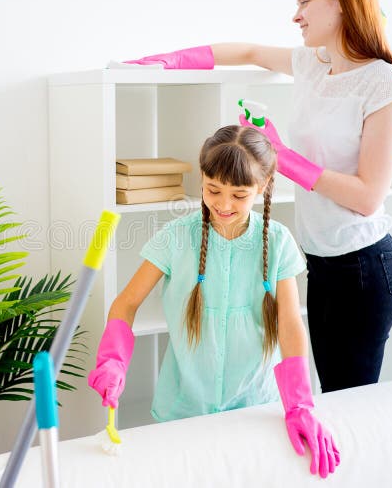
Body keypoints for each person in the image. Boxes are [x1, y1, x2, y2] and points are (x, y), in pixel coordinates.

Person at [123, 0, 392, 394]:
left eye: (305, 2)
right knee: (331, 394)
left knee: (349, 400)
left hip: (364, 267)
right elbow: (249, 53)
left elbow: (368, 197)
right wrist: (173, 59)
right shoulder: (315, 63)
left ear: (342, 3)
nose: (296, 15)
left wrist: (282, 156)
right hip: (321, 261)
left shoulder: (383, 83)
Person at [89, 126, 340, 478]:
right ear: (202, 179)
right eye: (213, 190)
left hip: (255, 407)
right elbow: (127, 303)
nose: (223, 205)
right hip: (183, 410)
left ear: (264, 185)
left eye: (239, 195)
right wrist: (113, 359)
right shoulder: (176, 237)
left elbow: (289, 323)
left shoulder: (278, 241)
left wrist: (299, 404)